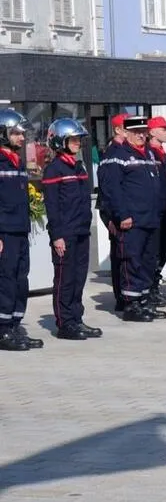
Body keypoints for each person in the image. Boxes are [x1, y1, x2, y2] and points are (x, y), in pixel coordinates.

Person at [41, 118, 102, 341]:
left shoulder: (78, 166)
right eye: (73, 139)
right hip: (64, 234)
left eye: (78, 139)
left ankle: (76, 319)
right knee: (65, 279)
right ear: (60, 141)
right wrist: (56, 235)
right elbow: (52, 206)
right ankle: (65, 323)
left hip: (81, 231)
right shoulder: (54, 169)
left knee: (78, 278)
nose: (78, 143)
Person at [101, 116, 165, 323]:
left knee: (147, 261)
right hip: (132, 220)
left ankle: (144, 300)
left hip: (150, 218)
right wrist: (122, 215)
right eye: (136, 132)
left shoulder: (147, 153)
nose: (141, 135)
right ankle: (131, 304)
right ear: (125, 133)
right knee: (132, 261)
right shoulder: (118, 155)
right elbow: (112, 189)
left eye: (144, 132)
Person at [0, 110, 42, 351]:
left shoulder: (18, 161)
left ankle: (14, 324)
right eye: (15, 133)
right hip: (5, 231)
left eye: (21, 133)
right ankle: (3, 329)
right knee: (5, 280)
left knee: (19, 278)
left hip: (19, 229)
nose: (21, 136)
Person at [97, 113, 129, 314]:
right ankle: (122, 297)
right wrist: (110, 217)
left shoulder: (128, 151)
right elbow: (108, 189)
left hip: (127, 213)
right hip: (115, 214)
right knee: (121, 256)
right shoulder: (112, 153)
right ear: (118, 129)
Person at [145, 116, 166, 309]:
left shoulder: (163, 154)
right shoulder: (149, 154)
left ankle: (155, 285)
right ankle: (150, 290)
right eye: (163, 128)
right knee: (153, 252)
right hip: (155, 211)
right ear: (152, 132)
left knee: (163, 250)